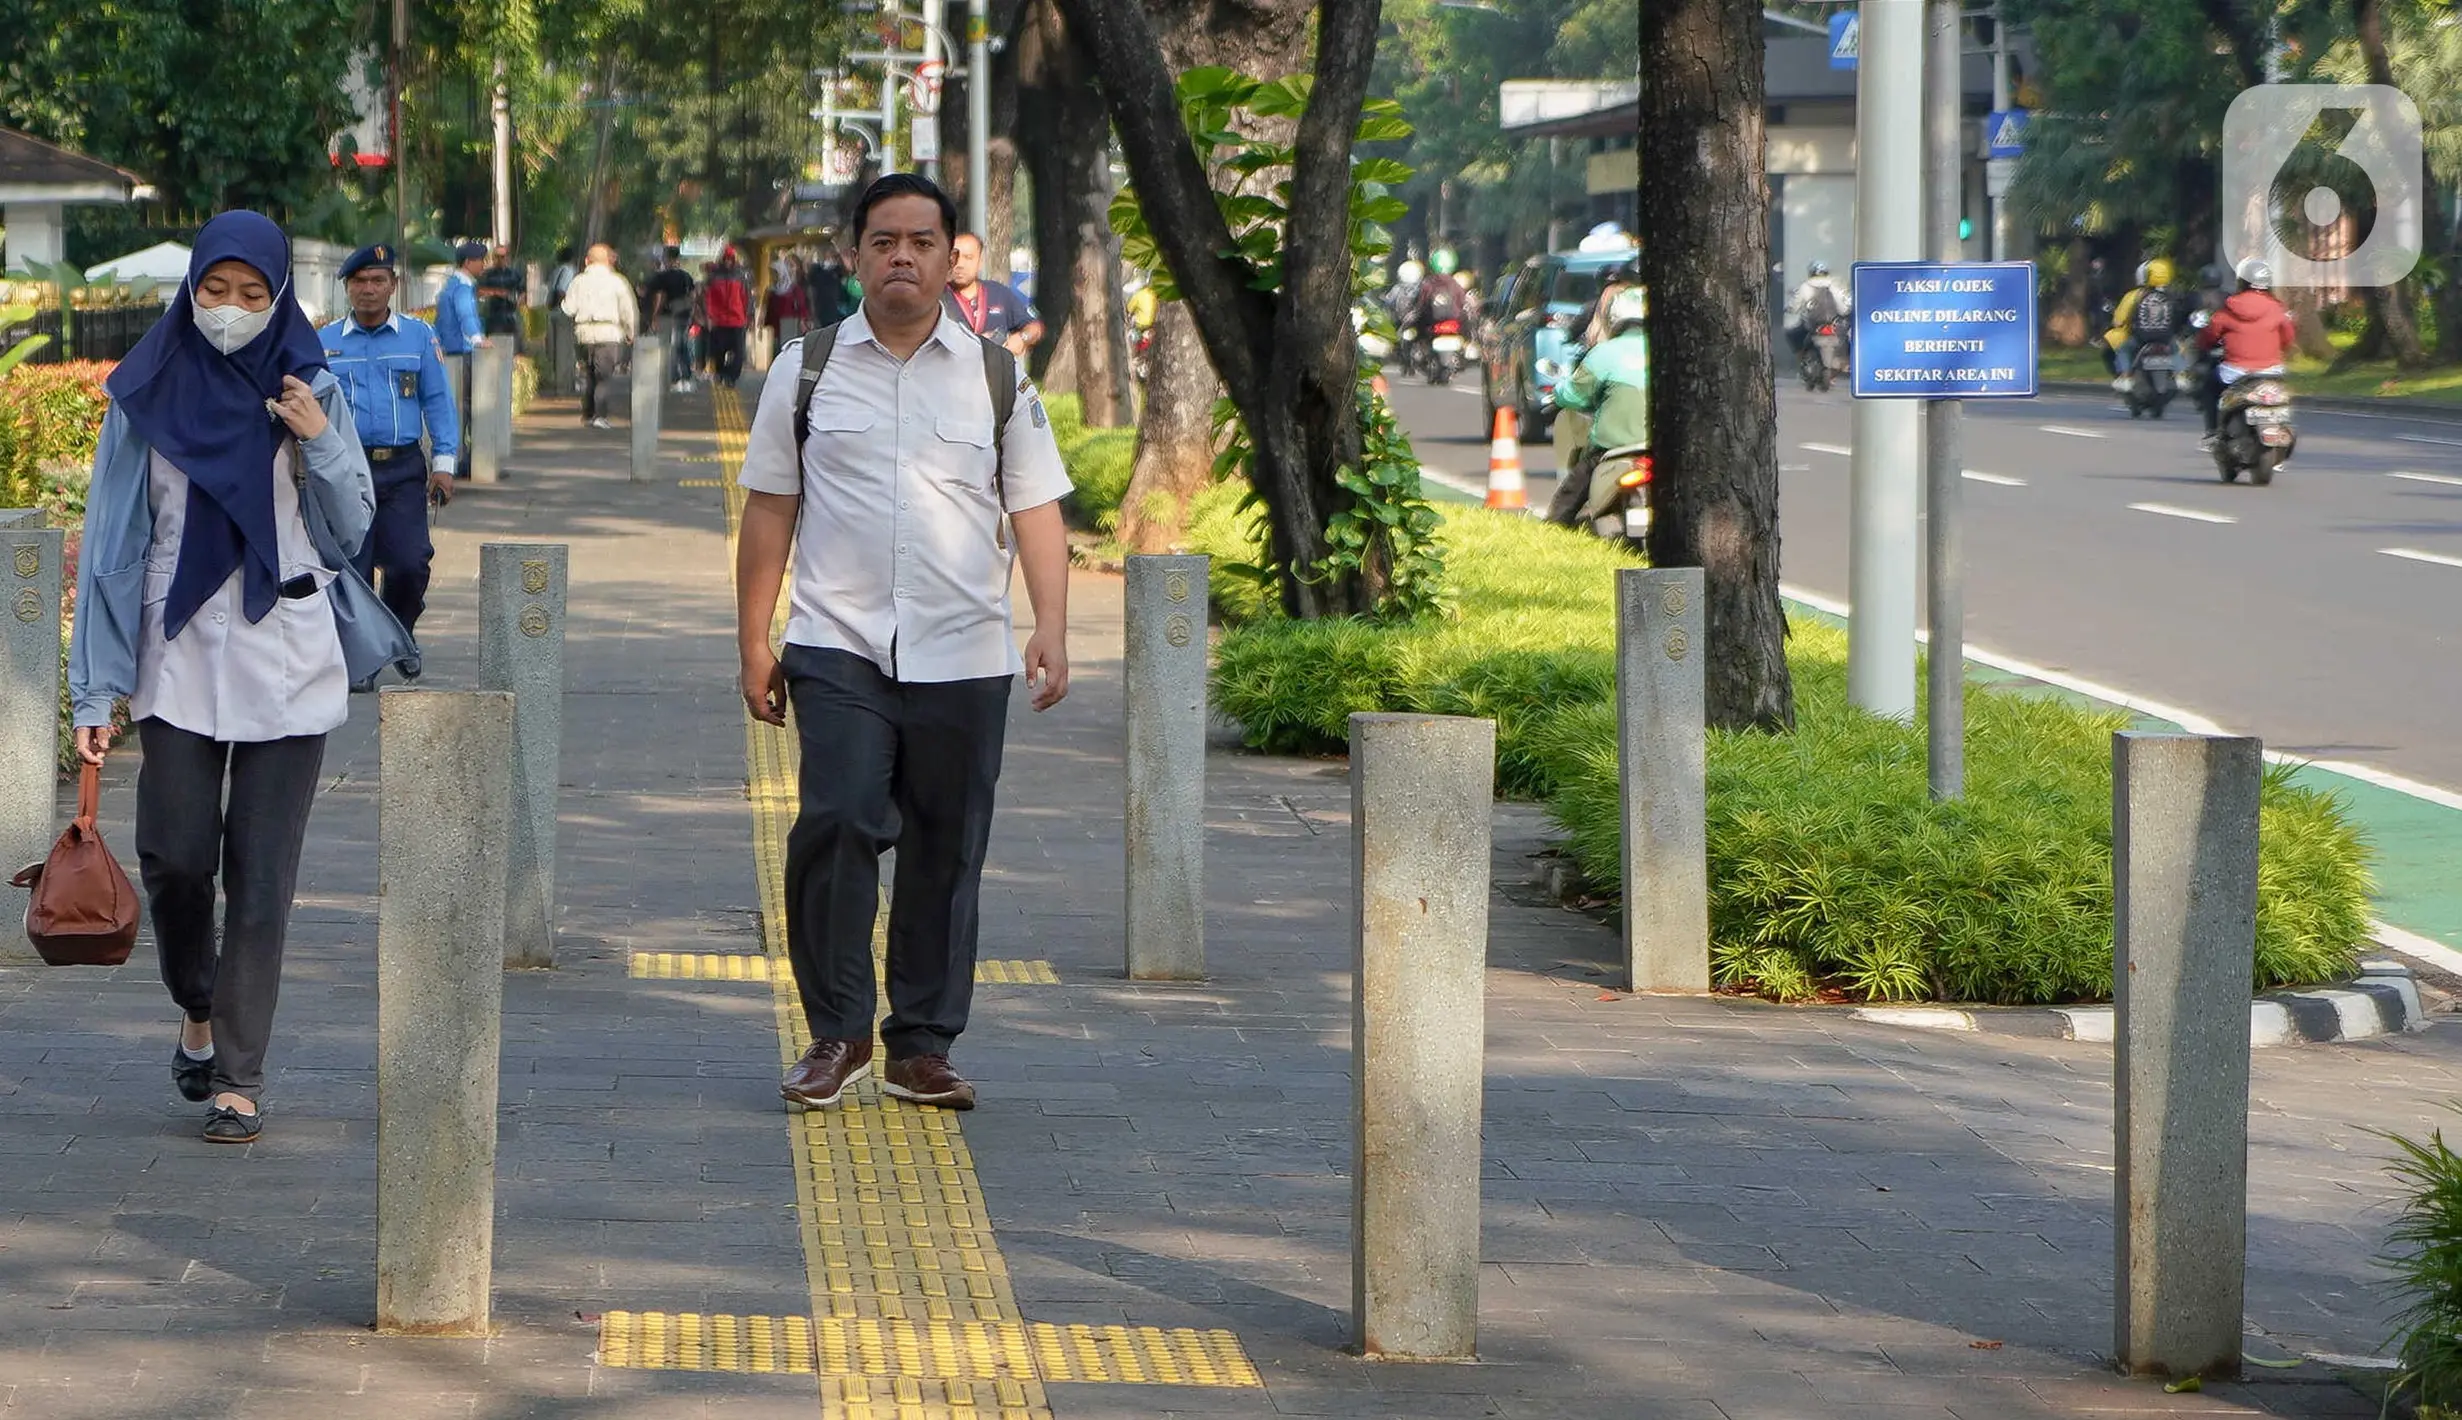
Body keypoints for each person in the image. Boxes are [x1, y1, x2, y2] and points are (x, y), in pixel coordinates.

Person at [67, 212, 416, 1145]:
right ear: (191, 291)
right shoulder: (144, 394)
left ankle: (238, 1075)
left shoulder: (314, 386)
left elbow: (355, 524)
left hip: (287, 651)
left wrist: (321, 439)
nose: (230, 309)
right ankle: (196, 1002)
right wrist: (94, 690)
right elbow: (109, 546)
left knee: (261, 874)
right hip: (173, 652)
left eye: (252, 295)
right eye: (214, 291)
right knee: (177, 857)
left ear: (279, 300)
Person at [734, 173, 1074, 1114]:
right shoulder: (803, 369)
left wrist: (1049, 625)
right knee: (837, 822)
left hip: (964, 652)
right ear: (854, 257)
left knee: (946, 844)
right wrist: (753, 641)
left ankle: (921, 1044)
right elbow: (770, 509)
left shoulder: (998, 376)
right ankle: (837, 1031)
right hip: (838, 643)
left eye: (921, 243)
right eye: (883, 242)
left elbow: (1037, 509)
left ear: (951, 258)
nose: (902, 259)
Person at [317, 242, 458, 670]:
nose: (369, 289)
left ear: (393, 285)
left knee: (410, 562)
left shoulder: (418, 336)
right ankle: (362, 659)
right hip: (346, 470)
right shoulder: (323, 342)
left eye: (378, 280)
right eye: (359, 281)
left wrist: (445, 464)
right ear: (347, 287)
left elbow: (438, 401)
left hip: (401, 468)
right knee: (353, 568)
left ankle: (399, 632)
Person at [1545, 285, 1647, 528]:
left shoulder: (1604, 353)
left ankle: (1553, 534)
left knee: (1569, 498)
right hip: (1663, 449)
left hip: (1614, 448)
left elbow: (1574, 395)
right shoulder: (1671, 351)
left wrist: (1557, 392)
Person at [2193, 257, 2296, 451]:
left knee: (2209, 386)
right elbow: (2288, 338)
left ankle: (2213, 432)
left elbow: (2210, 335)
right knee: (2282, 398)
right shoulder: (2277, 308)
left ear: (2241, 281)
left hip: (2235, 371)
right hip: (2272, 371)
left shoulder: (2230, 307)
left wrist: (2205, 344)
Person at [562, 243, 639, 430]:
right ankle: (599, 415)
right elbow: (628, 311)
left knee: (589, 373)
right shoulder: (617, 281)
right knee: (603, 376)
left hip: (583, 333)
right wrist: (632, 333)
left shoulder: (578, 281)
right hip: (609, 332)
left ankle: (588, 413)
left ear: (588, 261)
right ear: (608, 261)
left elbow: (568, 308)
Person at [942, 232, 1044, 359]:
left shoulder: (999, 293)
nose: (960, 264)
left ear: (980, 262)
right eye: (955, 256)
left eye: (968, 257)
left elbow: (1035, 327)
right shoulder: (934, 298)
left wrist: (1022, 338)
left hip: (993, 375)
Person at [433, 241, 489, 471]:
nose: (484, 265)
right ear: (468, 263)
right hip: (460, 352)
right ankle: (463, 459)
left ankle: (462, 458)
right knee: (465, 406)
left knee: (461, 406)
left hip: (452, 351)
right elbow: (465, 315)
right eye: (481, 261)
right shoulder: (462, 287)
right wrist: (478, 339)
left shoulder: (453, 284)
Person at [2102, 257, 2180, 387]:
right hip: (2166, 337)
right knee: (2177, 350)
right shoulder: (2172, 296)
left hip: (2141, 337)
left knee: (2123, 349)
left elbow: (2119, 321)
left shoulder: (2135, 295)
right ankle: (2180, 375)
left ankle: (2126, 377)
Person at [642, 246, 696, 392]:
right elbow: (692, 297)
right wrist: (692, 314)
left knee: (670, 348)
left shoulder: (661, 277)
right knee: (682, 346)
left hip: (667, 316)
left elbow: (659, 297)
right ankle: (687, 378)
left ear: (666, 258)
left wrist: (654, 316)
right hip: (683, 316)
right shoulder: (686, 276)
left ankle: (674, 379)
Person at [1782, 260, 1850, 362]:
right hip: (1837, 324)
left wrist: (1789, 308)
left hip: (1813, 324)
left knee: (1791, 334)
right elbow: (1845, 308)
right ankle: (1849, 361)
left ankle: (1801, 359)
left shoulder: (1805, 285)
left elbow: (1795, 306)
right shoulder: (1836, 283)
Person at [704, 248, 752, 387]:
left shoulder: (741, 276)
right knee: (718, 352)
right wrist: (709, 316)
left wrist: (749, 316)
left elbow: (747, 298)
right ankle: (721, 374)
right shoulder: (713, 277)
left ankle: (731, 377)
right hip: (719, 321)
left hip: (737, 320)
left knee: (739, 353)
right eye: (726, 259)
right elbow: (708, 298)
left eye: (730, 259)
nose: (728, 262)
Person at [478, 245, 524, 344]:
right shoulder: (486, 274)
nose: (500, 259)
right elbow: (479, 291)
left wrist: (520, 300)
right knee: (496, 346)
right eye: (497, 256)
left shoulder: (514, 274)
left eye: (502, 256)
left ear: (507, 257)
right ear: (493, 257)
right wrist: (496, 293)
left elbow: (522, 291)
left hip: (511, 315)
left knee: (515, 346)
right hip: (494, 316)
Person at [767, 253, 812, 349]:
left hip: (790, 324)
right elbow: (770, 309)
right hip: (776, 327)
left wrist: (803, 320)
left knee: (788, 351)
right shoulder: (772, 291)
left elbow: (801, 306)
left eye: (776, 273)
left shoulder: (794, 289)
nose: (774, 276)